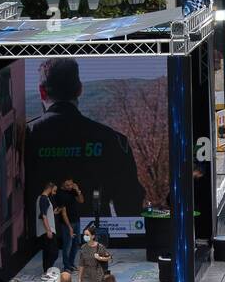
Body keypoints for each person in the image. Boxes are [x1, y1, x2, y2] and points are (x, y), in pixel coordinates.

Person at [24, 59, 143, 219]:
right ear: (79, 89)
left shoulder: (26, 137)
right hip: (94, 239)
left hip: (40, 239)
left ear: (42, 91)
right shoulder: (112, 139)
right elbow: (130, 206)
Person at [36, 180, 59, 273]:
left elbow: (44, 214)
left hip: (45, 230)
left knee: (47, 252)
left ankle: (47, 271)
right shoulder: (43, 199)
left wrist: (53, 213)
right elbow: (43, 215)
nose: (55, 192)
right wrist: (48, 230)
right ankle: (48, 270)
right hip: (47, 231)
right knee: (53, 252)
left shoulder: (41, 199)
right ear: (50, 188)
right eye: (54, 190)